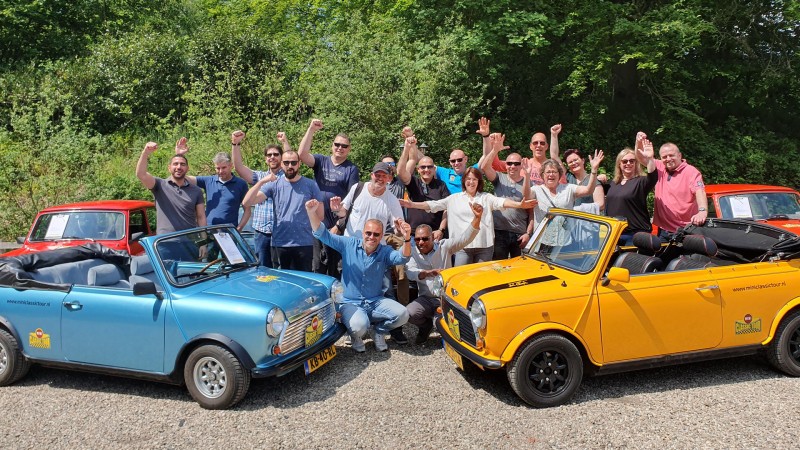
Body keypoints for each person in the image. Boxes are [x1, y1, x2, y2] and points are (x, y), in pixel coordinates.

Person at [306, 199, 411, 352]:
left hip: (375, 301)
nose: (372, 237)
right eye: (368, 233)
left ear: (381, 235)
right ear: (363, 233)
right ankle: (355, 335)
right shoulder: (349, 244)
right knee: (359, 327)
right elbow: (323, 234)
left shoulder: (384, 251)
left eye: (376, 234)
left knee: (403, 314)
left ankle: (379, 332)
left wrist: (407, 238)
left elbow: (403, 257)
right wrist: (311, 212)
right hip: (350, 302)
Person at [401, 167, 536, 265]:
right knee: (461, 279)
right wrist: (412, 205)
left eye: (474, 179)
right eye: (468, 179)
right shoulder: (454, 198)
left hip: (485, 247)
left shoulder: (486, 197)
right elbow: (432, 205)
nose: (471, 182)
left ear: (479, 182)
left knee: (481, 280)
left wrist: (519, 205)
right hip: (462, 248)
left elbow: (502, 202)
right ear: (464, 181)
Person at [406, 203, 483, 344]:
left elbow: (465, 238)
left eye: (424, 239)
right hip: (426, 298)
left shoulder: (444, 246)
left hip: (444, 299)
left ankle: (440, 325)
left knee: (441, 326)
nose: (420, 242)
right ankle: (425, 326)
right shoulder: (412, 252)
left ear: (433, 237)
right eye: (417, 239)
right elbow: (410, 273)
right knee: (409, 314)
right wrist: (428, 273)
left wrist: (477, 219)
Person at [298, 118, 360, 277]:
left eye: (344, 146)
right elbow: (302, 155)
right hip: (317, 224)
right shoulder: (321, 161)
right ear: (332, 146)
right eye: (337, 144)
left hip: (336, 227)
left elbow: (352, 201)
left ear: (349, 149)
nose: (340, 148)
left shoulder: (351, 169)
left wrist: (339, 225)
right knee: (318, 267)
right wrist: (311, 129)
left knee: (337, 270)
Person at [242, 151, 323, 271]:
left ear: (299, 164)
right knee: (281, 285)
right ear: (281, 164)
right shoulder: (274, 185)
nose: (290, 166)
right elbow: (247, 202)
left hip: (305, 244)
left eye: (293, 162)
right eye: (286, 162)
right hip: (280, 244)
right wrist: (261, 182)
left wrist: (312, 210)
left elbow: (321, 216)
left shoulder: (311, 185)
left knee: (303, 284)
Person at [231, 130, 289, 267]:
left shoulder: (288, 176)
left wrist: (285, 142)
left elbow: (291, 159)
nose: (272, 157)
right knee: (263, 270)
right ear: (265, 158)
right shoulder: (260, 176)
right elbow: (238, 167)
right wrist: (235, 143)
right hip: (262, 232)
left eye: (276, 154)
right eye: (269, 155)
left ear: (281, 158)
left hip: (282, 232)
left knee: (284, 271)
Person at [640, 136, 708, 240]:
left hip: (686, 230)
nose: (668, 159)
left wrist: (702, 211)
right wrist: (638, 141)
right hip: (663, 231)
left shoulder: (691, 172)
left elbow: (700, 191)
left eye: (671, 155)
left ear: (680, 155)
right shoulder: (659, 167)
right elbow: (640, 158)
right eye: (664, 157)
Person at [174, 139, 250, 231]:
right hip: (209, 231)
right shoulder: (208, 180)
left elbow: (247, 210)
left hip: (230, 232)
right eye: (218, 168)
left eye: (224, 167)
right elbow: (183, 177)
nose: (221, 171)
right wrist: (180, 155)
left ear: (231, 166)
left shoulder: (241, 184)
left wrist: (239, 228)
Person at [529, 153, 603, 247]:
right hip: (542, 241)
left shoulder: (569, 188)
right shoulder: (536, 189)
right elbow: (526, 196)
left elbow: (589, 190)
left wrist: (594, 170)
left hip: (565, 242)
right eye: (548, 172)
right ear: (542, 175)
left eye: (554, 172)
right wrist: (527, 176)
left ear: (559, 175)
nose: (551, 174)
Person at [478, 133, 532, 259]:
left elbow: (532, 213)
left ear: (521, 165)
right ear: (505, 164)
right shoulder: (499, 178)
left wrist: (528, 233)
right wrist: (495, 149)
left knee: (518, 271)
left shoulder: (529, 183)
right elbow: (485, 167)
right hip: (498, 232)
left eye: (516, 163)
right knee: (499, 269)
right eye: (509, 163)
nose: (512, 166)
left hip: (519, 234)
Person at [136, 140, 206, 234]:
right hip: (165, 243)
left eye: (182, 164)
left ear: (187, 168)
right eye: (175, 164)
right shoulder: (159, 185)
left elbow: (201, 217)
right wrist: (145, 153)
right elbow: (141, 174)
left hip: (190, 242)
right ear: (169, 168)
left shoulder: (196, 191)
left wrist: (203, 242)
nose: (179, 167)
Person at [605, 139, 657, 245]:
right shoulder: (612, 184)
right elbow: (591, 190)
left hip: (636, 234)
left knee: (631, 262)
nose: (628, 163)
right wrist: (595, 172)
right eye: (624, 161)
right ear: (619, 164)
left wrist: (650, 159)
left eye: (632, 161)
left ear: (636, 163)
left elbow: (653, 177)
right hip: (614, 234)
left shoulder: (641, 181)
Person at [397, 134, 450, 240]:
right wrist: (407, 148)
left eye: (430, 166)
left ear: (434, 169)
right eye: (423, 167)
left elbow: (446, 209)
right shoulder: (413, 182)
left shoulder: (441, 185)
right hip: (413, 235)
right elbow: (400, 172)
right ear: (418, 169)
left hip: (435, 235)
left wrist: (441, 230)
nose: (426, 169)